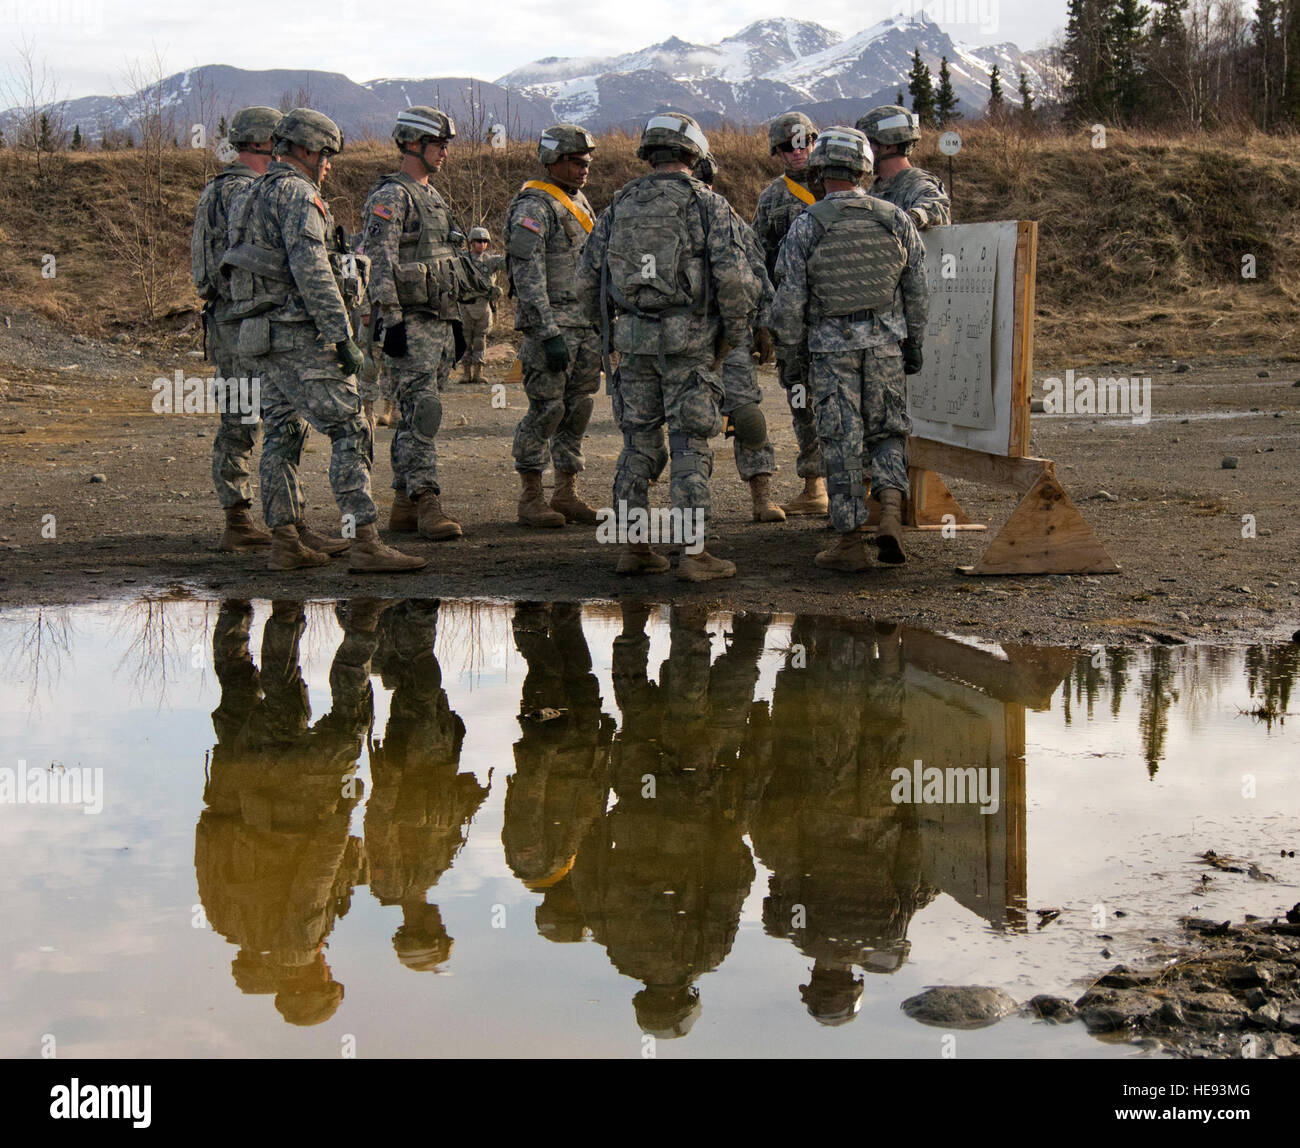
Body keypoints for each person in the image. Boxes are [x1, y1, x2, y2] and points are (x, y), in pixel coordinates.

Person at [221, 108, 426, 572]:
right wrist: (341, 337)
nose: (329, 164)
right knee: (352, 427)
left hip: (260, 336)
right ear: (309, 150)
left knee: (282, 432)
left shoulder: (248, 195)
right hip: (301, 335)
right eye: (327, 155)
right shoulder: (298, 194)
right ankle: (366, 541)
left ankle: (285, 540)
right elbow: (312, 269)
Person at [576, 113, 760, 581]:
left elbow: (585, 283)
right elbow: (736, 282)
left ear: (649, 153)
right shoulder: (708, 205)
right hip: (691, 344)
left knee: (638, 443)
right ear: (694, 154)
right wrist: (731, 338)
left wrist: (607, 336)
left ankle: (633, 548)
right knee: (689, 444)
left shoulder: (618, 206)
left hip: (633, 344)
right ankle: (694, 554)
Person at [770, 127, 928, 571]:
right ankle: (892, 516)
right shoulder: (895, 219)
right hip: (884, 347)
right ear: (864, 169)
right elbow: (917, 291)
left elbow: (790, 302)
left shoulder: (808, 225)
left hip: (831, 350)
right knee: (889, 431)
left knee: (841, 438)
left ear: (820, 171)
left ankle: (849, 541)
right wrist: (912, 343)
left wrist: (790, 356)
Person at [359, 106, 466, 542]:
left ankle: (403, 504)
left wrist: (457, 322)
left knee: (414, 417)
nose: (444, 153)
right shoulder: (391, 196)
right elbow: (377, 260)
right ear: (414, 144)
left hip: (437, 320)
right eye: (439, 145)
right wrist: (391, 318)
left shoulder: (434, 197)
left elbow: (449, 262)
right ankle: (426, 500)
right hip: (410, 321)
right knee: (423, 413)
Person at [191, 105, 281, 552]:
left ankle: (241, 516)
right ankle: (251, 520)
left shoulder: (217, 189)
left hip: (225, 317)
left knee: (240, 416)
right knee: (261, 416)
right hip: (247, 318)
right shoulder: (250, 192)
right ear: (265, 142)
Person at [504, 124, 602, 528]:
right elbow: (527, 274)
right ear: (554, 161)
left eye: (587, 163)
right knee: (546, 410)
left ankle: (566, 492)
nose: (584, 170)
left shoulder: (581, 204)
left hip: (586, 327)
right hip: (554, 327)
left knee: (578, 409)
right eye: (577, 163)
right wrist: (546, 332)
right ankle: (531, 496)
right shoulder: (534, 206)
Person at [691, 153, 784, 523]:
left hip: (730, 340)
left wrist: (763, 325)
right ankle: (693, 509)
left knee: (745, 418)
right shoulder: (653, 220)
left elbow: (756, 273)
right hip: (684, 341)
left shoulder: (727, 220)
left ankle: (761, 495)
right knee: (691, 424)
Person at [752, 111, 826, 517]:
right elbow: (757, 256)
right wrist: (764, 317)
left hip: (842, 314)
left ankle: (859, 485)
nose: (797, 152)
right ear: (777, 152)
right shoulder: (772, 199)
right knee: (802, 398)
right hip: (793, 319)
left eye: (803, 142)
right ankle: (814, 483)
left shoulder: (845, 185)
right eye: (787, 146)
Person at [855, 105, 952, 230]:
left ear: (888, 145)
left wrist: (905, 220)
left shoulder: (919, 185)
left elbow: (936, 211)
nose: (863, 152)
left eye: (868, 145)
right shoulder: (875, 190)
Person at [457, 226, 505, 384]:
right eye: (478, 241)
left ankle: (479, 371)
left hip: (483, 305)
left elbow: (507, 262)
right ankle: (465, 372)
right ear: (471, 242)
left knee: (480, 339)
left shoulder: (491, 261)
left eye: (485, 241)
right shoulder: (462, 259)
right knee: (465, 339)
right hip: (465, 305)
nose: (482, 244)